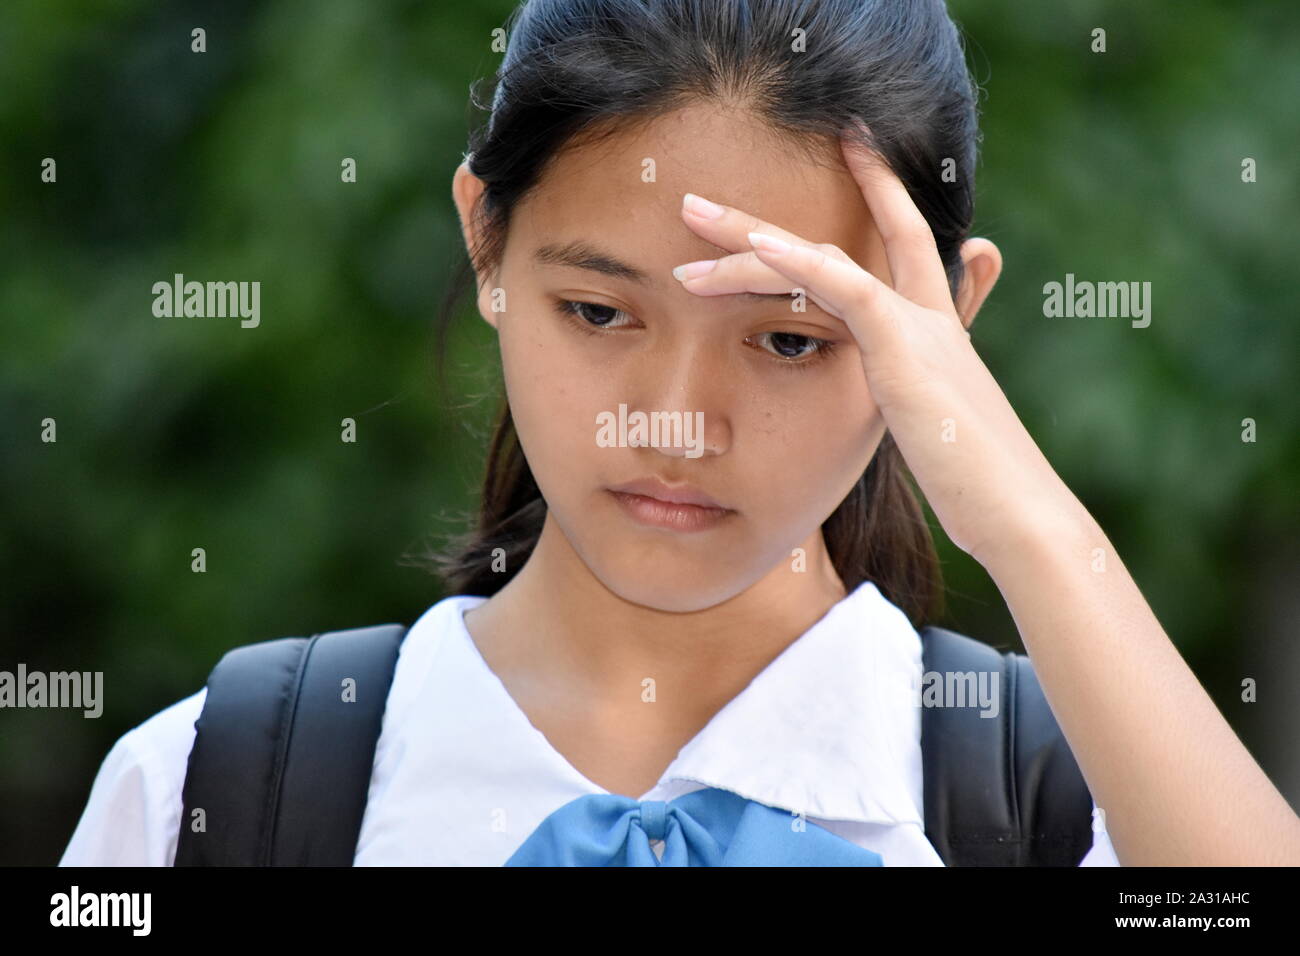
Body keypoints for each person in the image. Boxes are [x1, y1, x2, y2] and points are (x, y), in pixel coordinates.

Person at [60, 0, 1300, 866]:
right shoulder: (211, 792)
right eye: (598, 309)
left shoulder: (1064, 800)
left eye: (790, 337)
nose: (676, 418)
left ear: (944, 325)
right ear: (485, 237)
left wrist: (1027, 522)